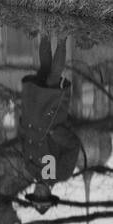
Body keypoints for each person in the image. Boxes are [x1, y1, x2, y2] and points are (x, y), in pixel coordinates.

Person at [20, 34, 80, 211]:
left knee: (43, 71)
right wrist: (55, 133)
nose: (38, 192)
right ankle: (62, 37)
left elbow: (23, 142)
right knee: (53, 78)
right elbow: (73, 146)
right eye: (42, 196)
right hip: (52, 120)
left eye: (35, 195)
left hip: (33, 114)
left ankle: (45, 32)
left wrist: (23, 122)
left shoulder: (30, 170)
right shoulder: (61, 173)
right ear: (48, 194)